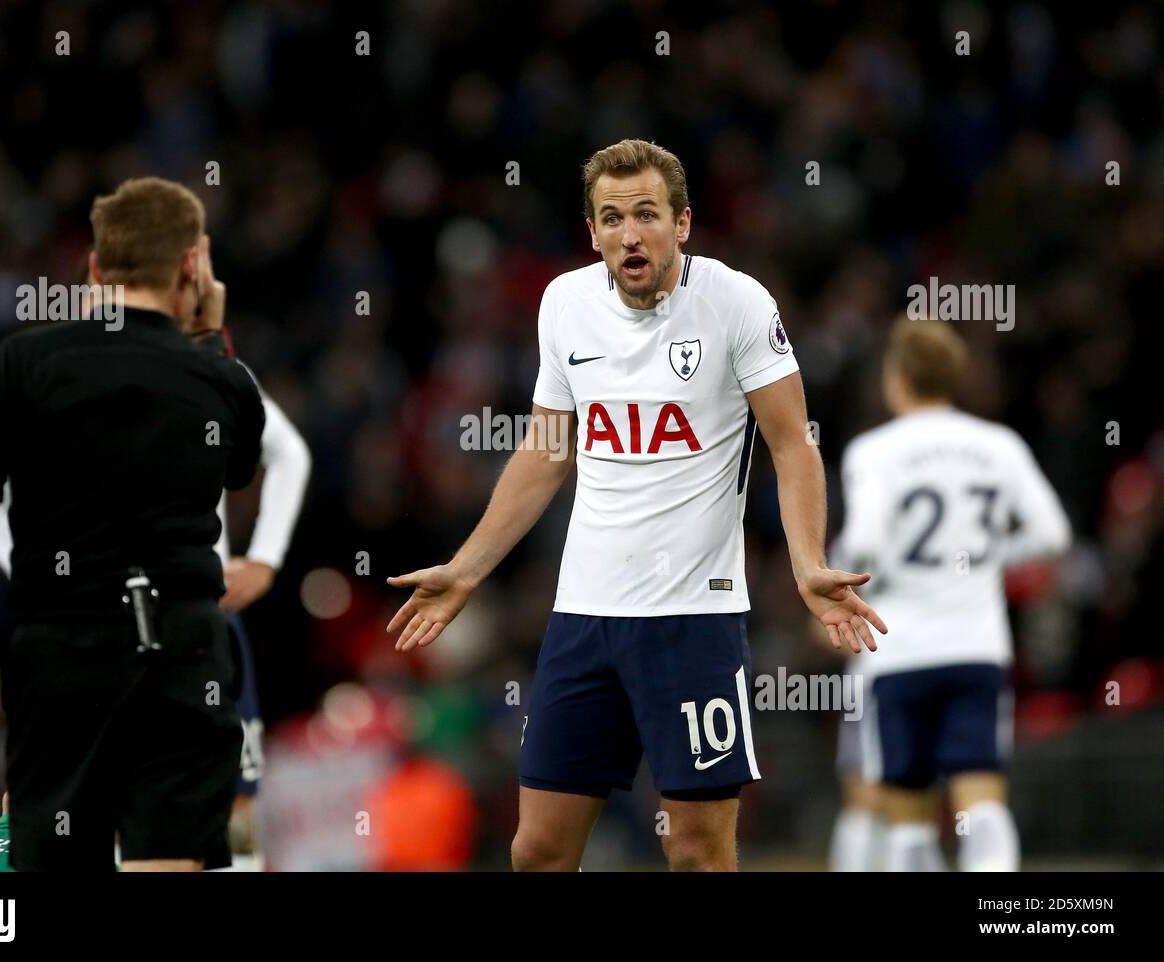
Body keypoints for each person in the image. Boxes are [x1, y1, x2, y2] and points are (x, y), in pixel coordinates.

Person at [387, 139, 887, 871]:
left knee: (697, 851)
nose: (631, 233)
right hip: (584, 618)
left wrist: (808, 562)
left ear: (682, 223)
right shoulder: (564, 303)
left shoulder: (736, 303)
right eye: (612, 217)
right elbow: (546, 452)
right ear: (592, 233)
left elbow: (792, 445)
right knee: (538, 851)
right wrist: (467, 568)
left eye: (647, 214)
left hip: (693, 620)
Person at [0, 176, 265, 871]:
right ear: (192, 269)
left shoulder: (23, 363)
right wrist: (205, 338)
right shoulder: (223, 378)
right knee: (166, 860)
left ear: (97, 270)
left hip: (63, 650)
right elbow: (237, 470)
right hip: (184, 647)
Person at [0, 286, 311, 872]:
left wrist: (264, 560)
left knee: (229, 812)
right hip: (124, 625)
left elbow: (288, 452)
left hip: (185, 621)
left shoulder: (201, 368)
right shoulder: (54, 380)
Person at [831, 317, 1071, 871]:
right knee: (982, 803)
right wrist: (985, 559)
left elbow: (863, 542)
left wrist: (855, 584)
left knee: (908, 819)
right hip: (976, 649)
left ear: (897, 378)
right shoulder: (998, 444)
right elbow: (1053, 534)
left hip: (899, 653)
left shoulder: (874, 450)